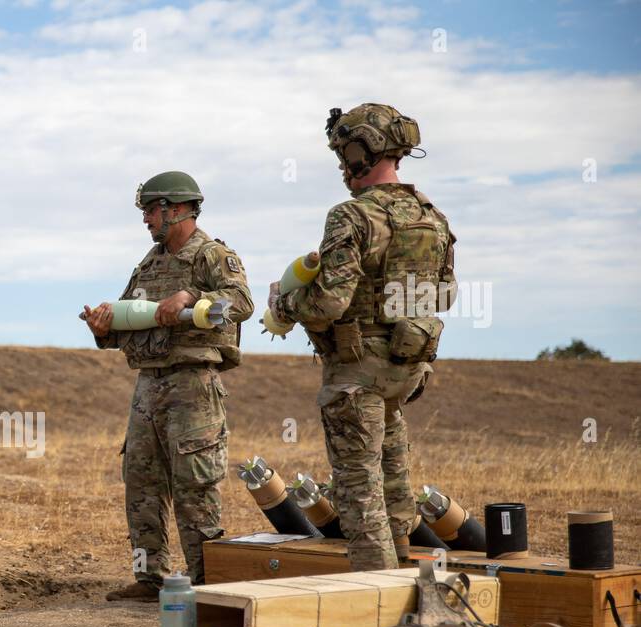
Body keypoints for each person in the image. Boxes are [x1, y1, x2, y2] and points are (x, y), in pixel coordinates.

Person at [268, 103, 457, 571]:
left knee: (358, 489)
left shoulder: (350, 216)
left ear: (361, 152)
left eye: (342, 154)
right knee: (395, 479)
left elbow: (330, 303)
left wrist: (285, 306)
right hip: (407, 367)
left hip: (357, 374)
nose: (340, 166)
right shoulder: (433, 216)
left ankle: (376, 594)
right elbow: (445, 294)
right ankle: (408, 581)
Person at [82, 171, 254, 600]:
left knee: (195, 484)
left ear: (176, 209)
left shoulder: (212, 256)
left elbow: (243, 303)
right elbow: (127, 321)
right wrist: (103, 326)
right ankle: (149, 579)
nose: (145, 220)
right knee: (141, 482)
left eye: (149, 211)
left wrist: (192, 298)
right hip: (149, 385)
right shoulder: (150, 262)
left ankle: (207, 586)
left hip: (193, 386)